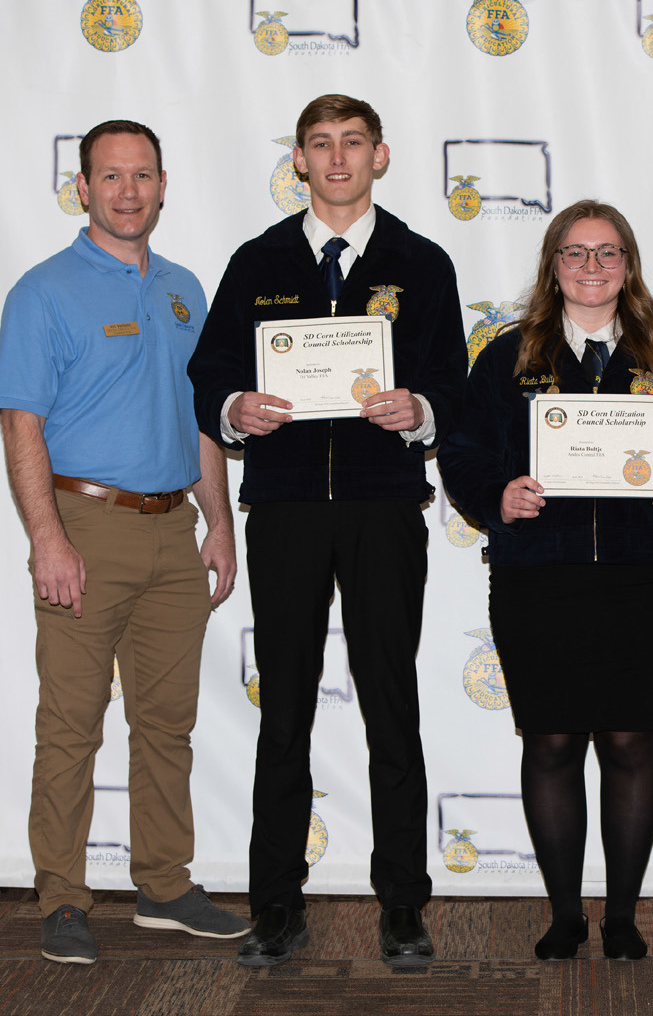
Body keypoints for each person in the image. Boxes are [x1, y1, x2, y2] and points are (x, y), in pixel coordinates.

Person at [187, 94, 466, 968]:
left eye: (353, 143)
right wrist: (236, 407)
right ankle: (275, 900)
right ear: (299, 160)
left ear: (380, 156)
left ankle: (404, 904)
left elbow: (451, 382)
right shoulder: (257, 260)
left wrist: (418, 407)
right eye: (320, 144)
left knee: (392, 703)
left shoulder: (422, 262)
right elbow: (211, 375)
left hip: (386, 507)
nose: (337, 158)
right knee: (287, 709)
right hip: (286, 508)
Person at [439, 200, 653, 961]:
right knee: (554, 740)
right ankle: (566, 911)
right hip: (540, 579)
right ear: (553, 267)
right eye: (575, 254)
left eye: (607, 254)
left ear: (628, 267)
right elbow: (463, 451)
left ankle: (624, 914)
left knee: (632, 740)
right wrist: (496, 493)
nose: (591, 268)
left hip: (641, 581)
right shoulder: (506, 358)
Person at [0, 120, 248, 965]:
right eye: (111, 176)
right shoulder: (43, 290)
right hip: (85, 529)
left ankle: (164, 884)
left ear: (165, 184)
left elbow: (203, 417)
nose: (128, 191)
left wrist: (220, 520)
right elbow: (21, 420)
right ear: (82, 188)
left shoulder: (185, 290)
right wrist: (48, 538)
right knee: (71, 723)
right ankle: (63, 898)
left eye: (142, 175)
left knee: (167, 723)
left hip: (173, 530)